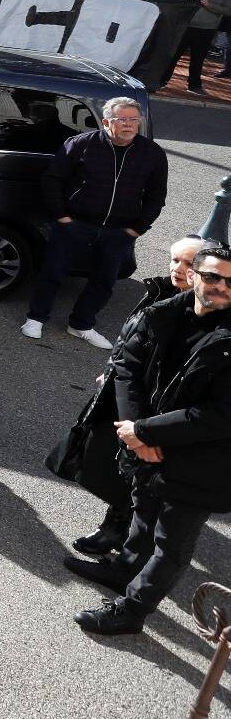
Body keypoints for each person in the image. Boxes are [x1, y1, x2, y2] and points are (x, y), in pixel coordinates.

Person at [69, 243, 231, 636]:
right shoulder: (163, 315)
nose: (222, 287)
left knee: (171, 544)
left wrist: (144, 432)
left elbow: (221, 415)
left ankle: (132, 612)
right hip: (146, 444)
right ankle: (124, 567)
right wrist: (135, 430)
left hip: (204, 461)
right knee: (143, 512)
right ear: (192, 275)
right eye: (212, 276)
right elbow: (128, 368)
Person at [63, 236, 207, 559]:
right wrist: (112, 368)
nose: (178, 269)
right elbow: (132, 338)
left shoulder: (202, 314)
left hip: (154, 408)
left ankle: (119, 531)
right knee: (110, 459)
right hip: (126, 391)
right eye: (175, 261)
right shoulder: (161, 292)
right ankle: (119, 525)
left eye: (189, 264)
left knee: (138, 470)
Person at [21, 97, 167, 350]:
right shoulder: (81, 144)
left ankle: (81, 325)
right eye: (122, 119)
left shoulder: (152, 153)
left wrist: (136, 229)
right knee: (53, 272)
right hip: (75, 223)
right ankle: (35, 319)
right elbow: (53, 180)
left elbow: (156, 196)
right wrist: (63, 217)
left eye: (134, 119)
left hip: (118, 231)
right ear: (107, 121)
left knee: (104, 282)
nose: (129, 125)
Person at [175, 0, 228, 94]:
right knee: (173, 57)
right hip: (186, 29)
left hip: (206, 30)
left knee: (197, 60)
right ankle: (161, 81)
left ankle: (194, 86)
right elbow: (180, 8)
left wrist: (210, 5)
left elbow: (228, 11)